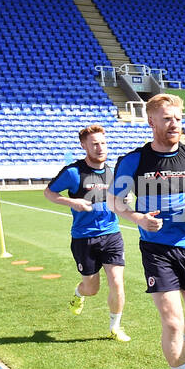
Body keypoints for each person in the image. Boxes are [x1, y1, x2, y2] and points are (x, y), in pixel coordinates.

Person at [111, 94, 185, 369]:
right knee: (172, 321)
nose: (174, 124)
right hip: (156, 251)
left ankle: (183, 345)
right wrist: (138, 218)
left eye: (178, 118)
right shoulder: (133, 162)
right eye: (167, 118)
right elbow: (117, 202)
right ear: (151, 121)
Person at [45, 124, 129, 341]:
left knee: (117, 282)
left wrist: (125, 200)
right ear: (84, 146)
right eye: (94, 144)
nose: (100, 148)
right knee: (92, 288)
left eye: (103, 143)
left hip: (112, 235)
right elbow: (49, 192)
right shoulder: (73, 172)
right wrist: (71, 201)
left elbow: (121, 200)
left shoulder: (113, 173)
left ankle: (115, 327)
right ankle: (79, 293)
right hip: (84, 238)